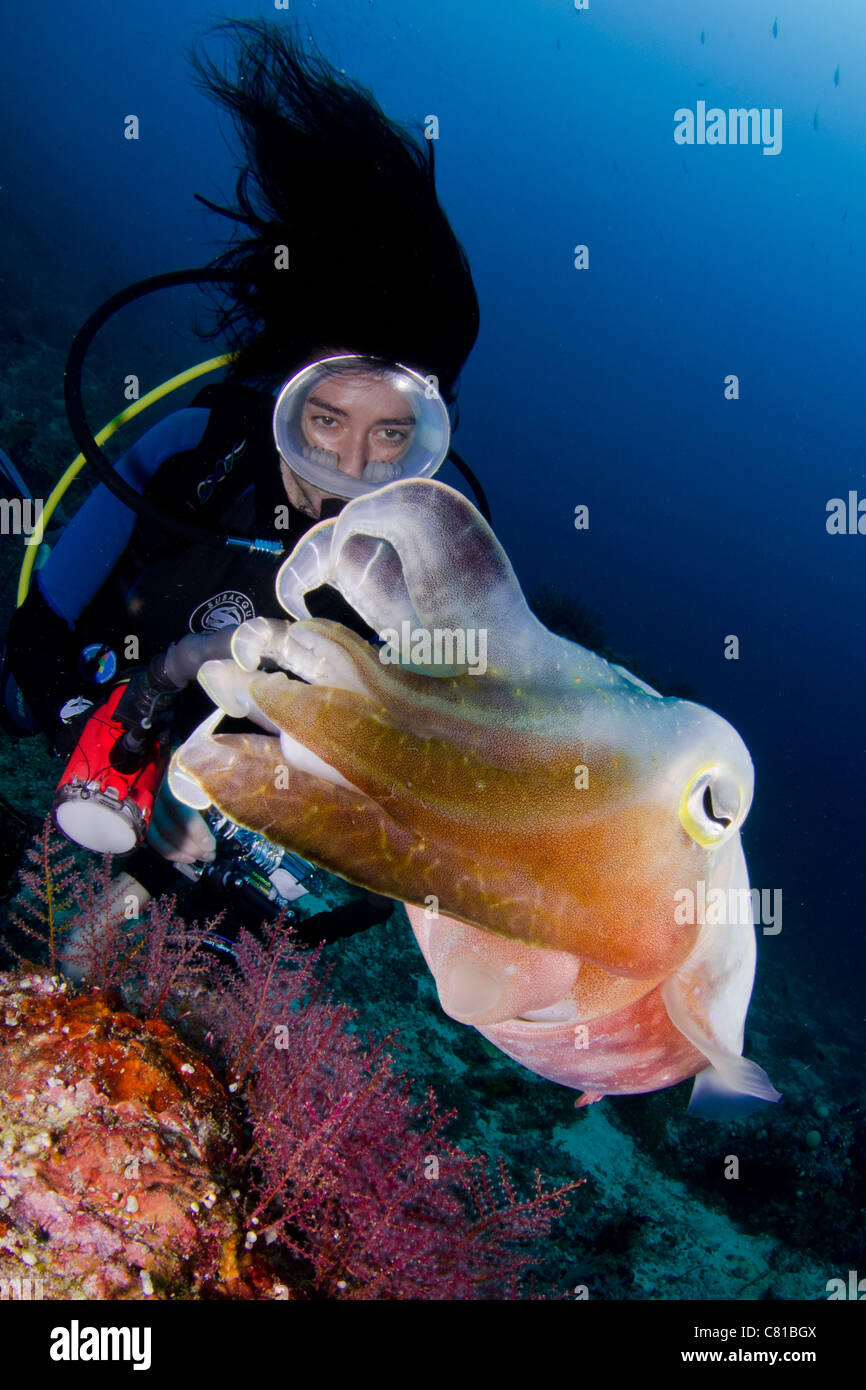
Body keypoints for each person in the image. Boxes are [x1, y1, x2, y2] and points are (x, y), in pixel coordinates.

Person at [0, 19, 480, 943]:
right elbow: (39, 632)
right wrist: (105, 743)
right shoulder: (194, 450)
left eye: (391, 437)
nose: (348, 471)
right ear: (284, 400)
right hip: (103, 703)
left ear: (430, 438)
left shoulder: (430, 575)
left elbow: (401, 834)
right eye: (325, 420)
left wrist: (246, 872)